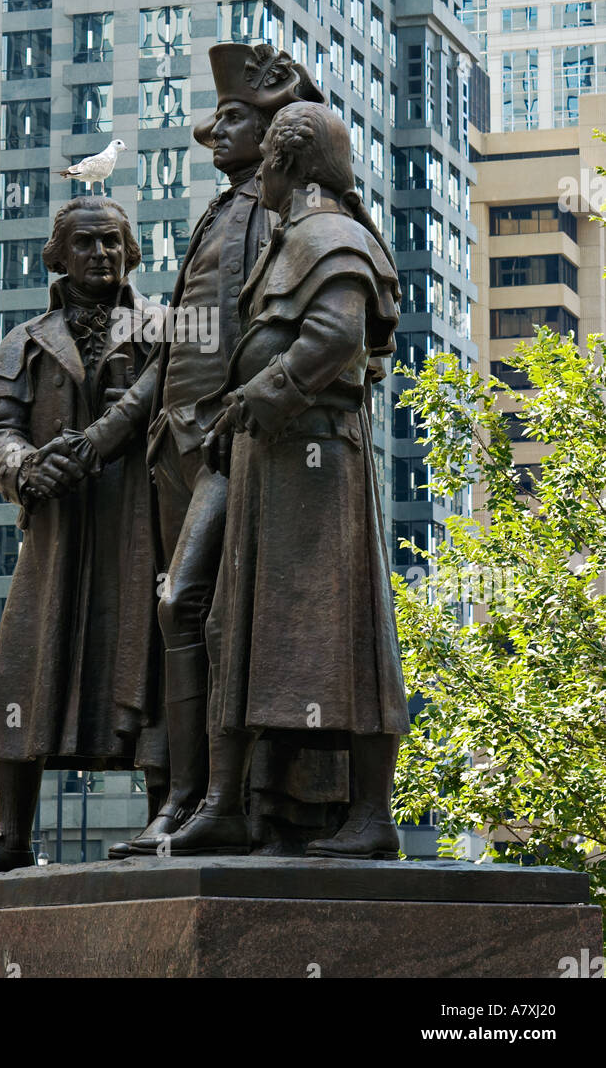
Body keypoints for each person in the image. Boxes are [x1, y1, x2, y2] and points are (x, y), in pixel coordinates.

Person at [36, 44, 342, 857]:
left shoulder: (294, 215)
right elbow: (178, 347)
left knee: (212, 616)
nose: (216, 134)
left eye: (235, 119)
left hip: (239, 445)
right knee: (183, 618)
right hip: (176, 452)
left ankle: (235, 801)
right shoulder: (217, 212)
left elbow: (317, 333)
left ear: (278, 128)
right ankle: (182, 800)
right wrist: (100, 438)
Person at [161, 100, 411, 858]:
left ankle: (372, 819)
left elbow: (335, 338)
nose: (259, 170)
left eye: (269, 156)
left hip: (317, 465)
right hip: (268, 463)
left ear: (291, 162)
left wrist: (254, 399)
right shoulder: (293, 238)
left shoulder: (332, 235)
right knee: (228, 624)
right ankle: (223, 805)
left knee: (343, 636)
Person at [0, 197, 166, 881]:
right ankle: (11, 835)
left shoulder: (168, 330)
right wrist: (26, 466)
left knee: (149, 663)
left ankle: (163, 822)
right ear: (58, 257)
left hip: (141, 530)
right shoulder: (27, 341)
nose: (102, 255)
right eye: (87, 244)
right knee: (23, 668)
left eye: (114, 243)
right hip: (57, 534)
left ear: (132, 253)